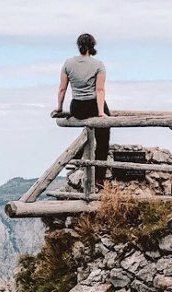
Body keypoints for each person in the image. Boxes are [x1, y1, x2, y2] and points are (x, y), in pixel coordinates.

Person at [51, 33, 111, 186]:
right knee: (103, 138)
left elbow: (62, 89)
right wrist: (101, 113)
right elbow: (99, 91)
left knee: (89, 132)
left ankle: (78, 154)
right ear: (93, 46)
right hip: (92, 105)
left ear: (78, 46)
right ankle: (99, 177)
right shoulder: (98, 65)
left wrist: (59, 108)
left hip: (76, 107)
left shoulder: (68, 64)